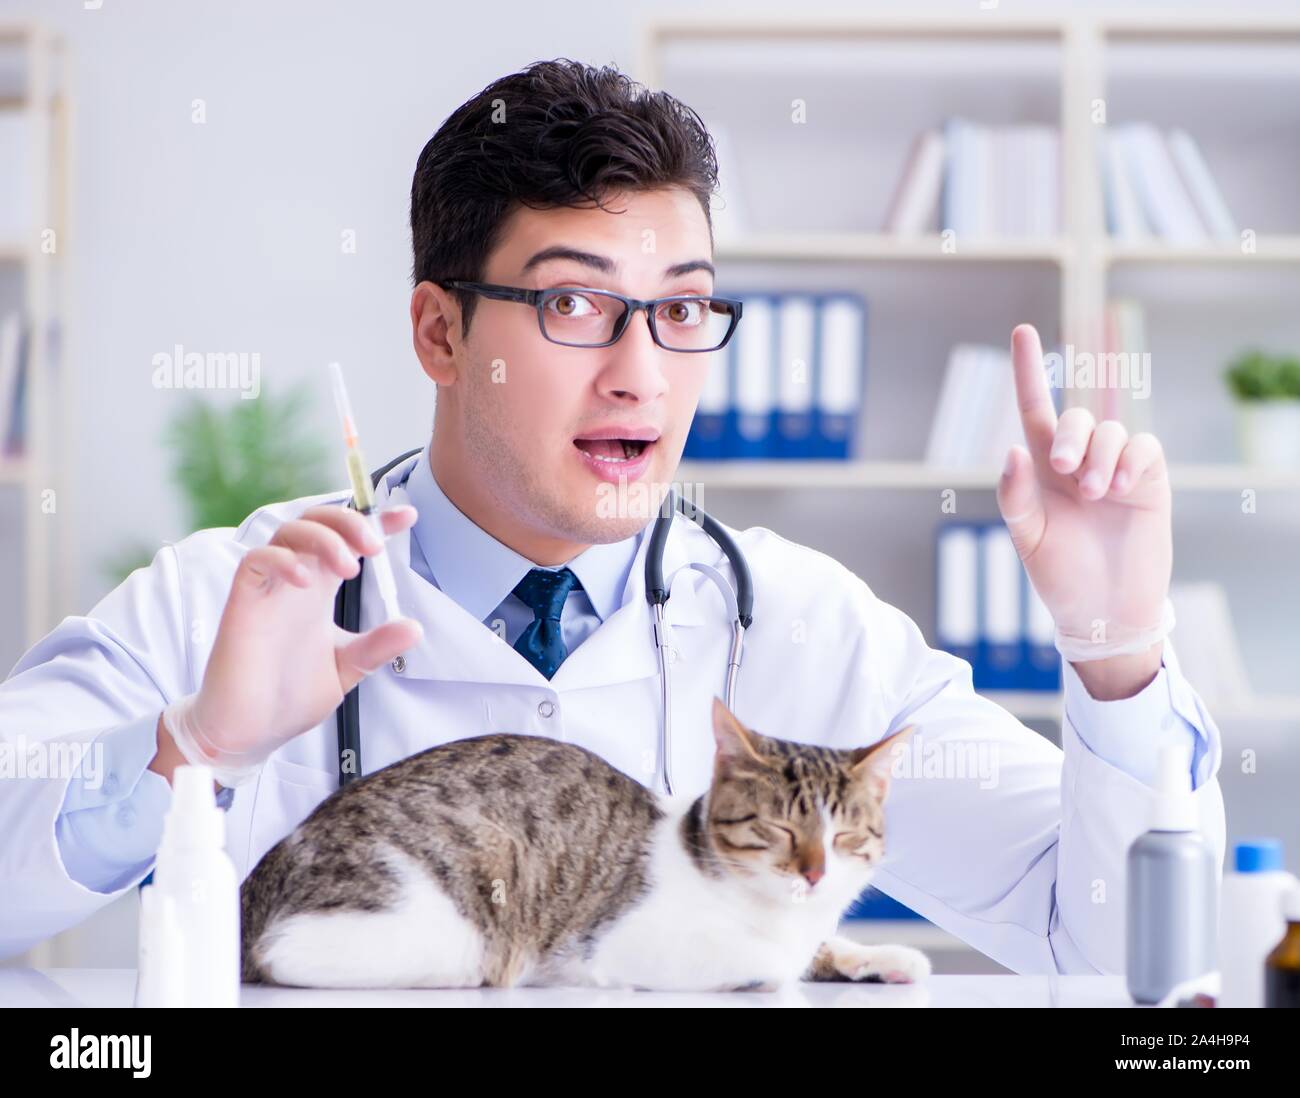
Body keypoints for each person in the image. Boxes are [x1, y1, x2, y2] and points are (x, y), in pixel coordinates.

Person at [0, 58, 1222, 970]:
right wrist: (190, 752)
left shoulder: (796, 623)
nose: (641, 370)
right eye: (575, 308)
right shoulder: (236, 598)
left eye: (682, 310)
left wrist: (1117, 654)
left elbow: (1120, 953)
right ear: (439, 331)